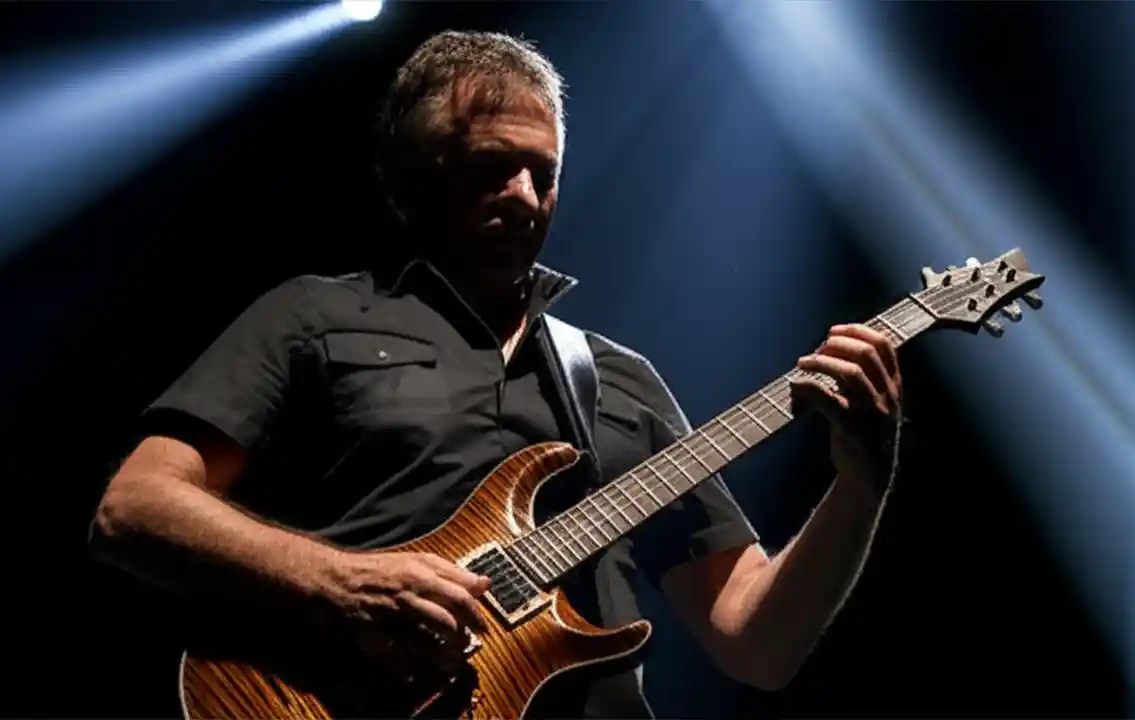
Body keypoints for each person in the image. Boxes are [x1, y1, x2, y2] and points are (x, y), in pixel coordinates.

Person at [90, 30, 903, 718]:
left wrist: (860, 486)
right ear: (413, 177)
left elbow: (756, 644)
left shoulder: (618, 380)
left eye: (542, 174)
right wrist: (343, 581)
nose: (523, 197)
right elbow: (134, 509)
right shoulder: (313, 317)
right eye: (490, 168)